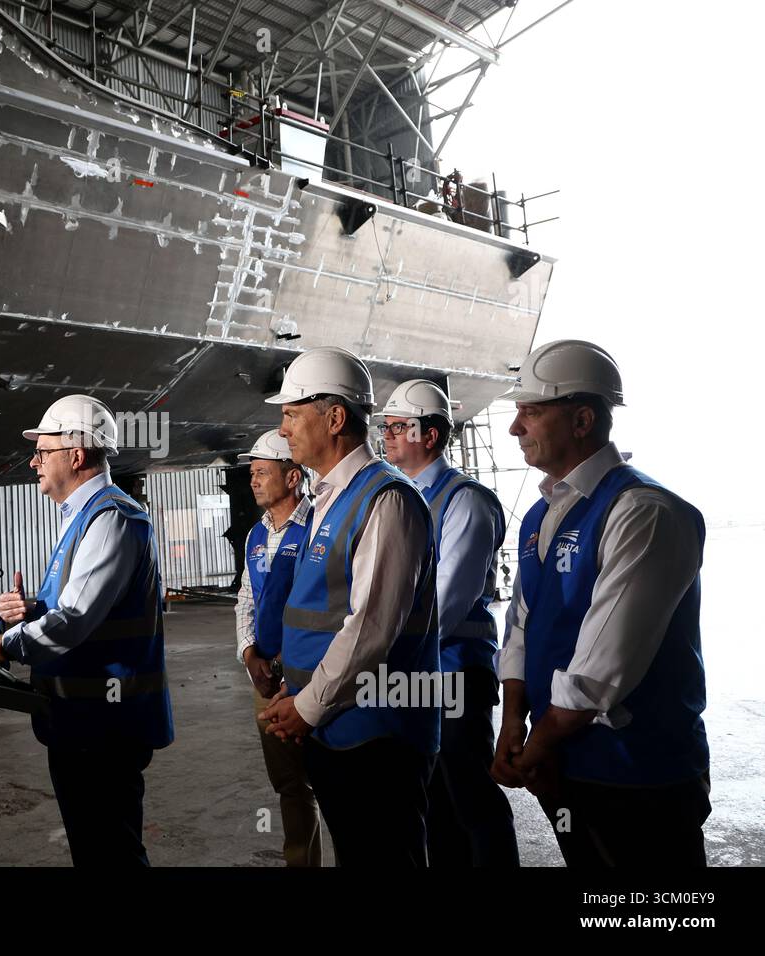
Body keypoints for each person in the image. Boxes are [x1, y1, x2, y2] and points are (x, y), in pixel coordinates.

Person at [0, 394, 174, 866]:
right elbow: (80, 609)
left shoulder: (113, 519)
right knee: (95, 851)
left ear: (76, 455)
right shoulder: (81, 517)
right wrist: (33, 609)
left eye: (43, 450)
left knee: (112, 854)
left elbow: (76, 620)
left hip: (106, 727)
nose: (33, 460)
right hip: (79, 720)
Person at [491, 340, 709, 867]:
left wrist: (535, 746)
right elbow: (521, 626)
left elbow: (600, 670)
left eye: (531, 412)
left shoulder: (644, 513)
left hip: (638, 772)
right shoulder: (542, 515)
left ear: (583, 419)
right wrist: (512, 724)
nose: (515, 428)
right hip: (565, 761)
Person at [258, 348, 440, 868]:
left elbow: (372, 627)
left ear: (334, 417)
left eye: (292, 413)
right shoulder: (328, 497)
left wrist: (307, 705)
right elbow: (325, 613)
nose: (283, 427)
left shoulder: (386, 499)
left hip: (377, 738)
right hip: (335, 725)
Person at [379, 379, 519, 867]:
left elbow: (448, 599)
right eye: (386, 427)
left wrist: (378, 654)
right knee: (432, 800)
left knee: (471, 797)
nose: (388, 436)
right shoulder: (400, 496)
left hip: (456, 672)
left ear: (431, 435)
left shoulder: (466, 501)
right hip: (414, 673)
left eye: (399, 427)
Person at [233, 430, 322, 867]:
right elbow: (247, 599)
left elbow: (330, 605)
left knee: (331, 779)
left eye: (262, 472)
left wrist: (285, 661)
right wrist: (250, 654)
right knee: (289, 784)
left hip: (313, 675)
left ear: (293, 479)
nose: (253, 481)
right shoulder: (255, 536)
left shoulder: (318, 528)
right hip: (267, 678)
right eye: (251, 473)